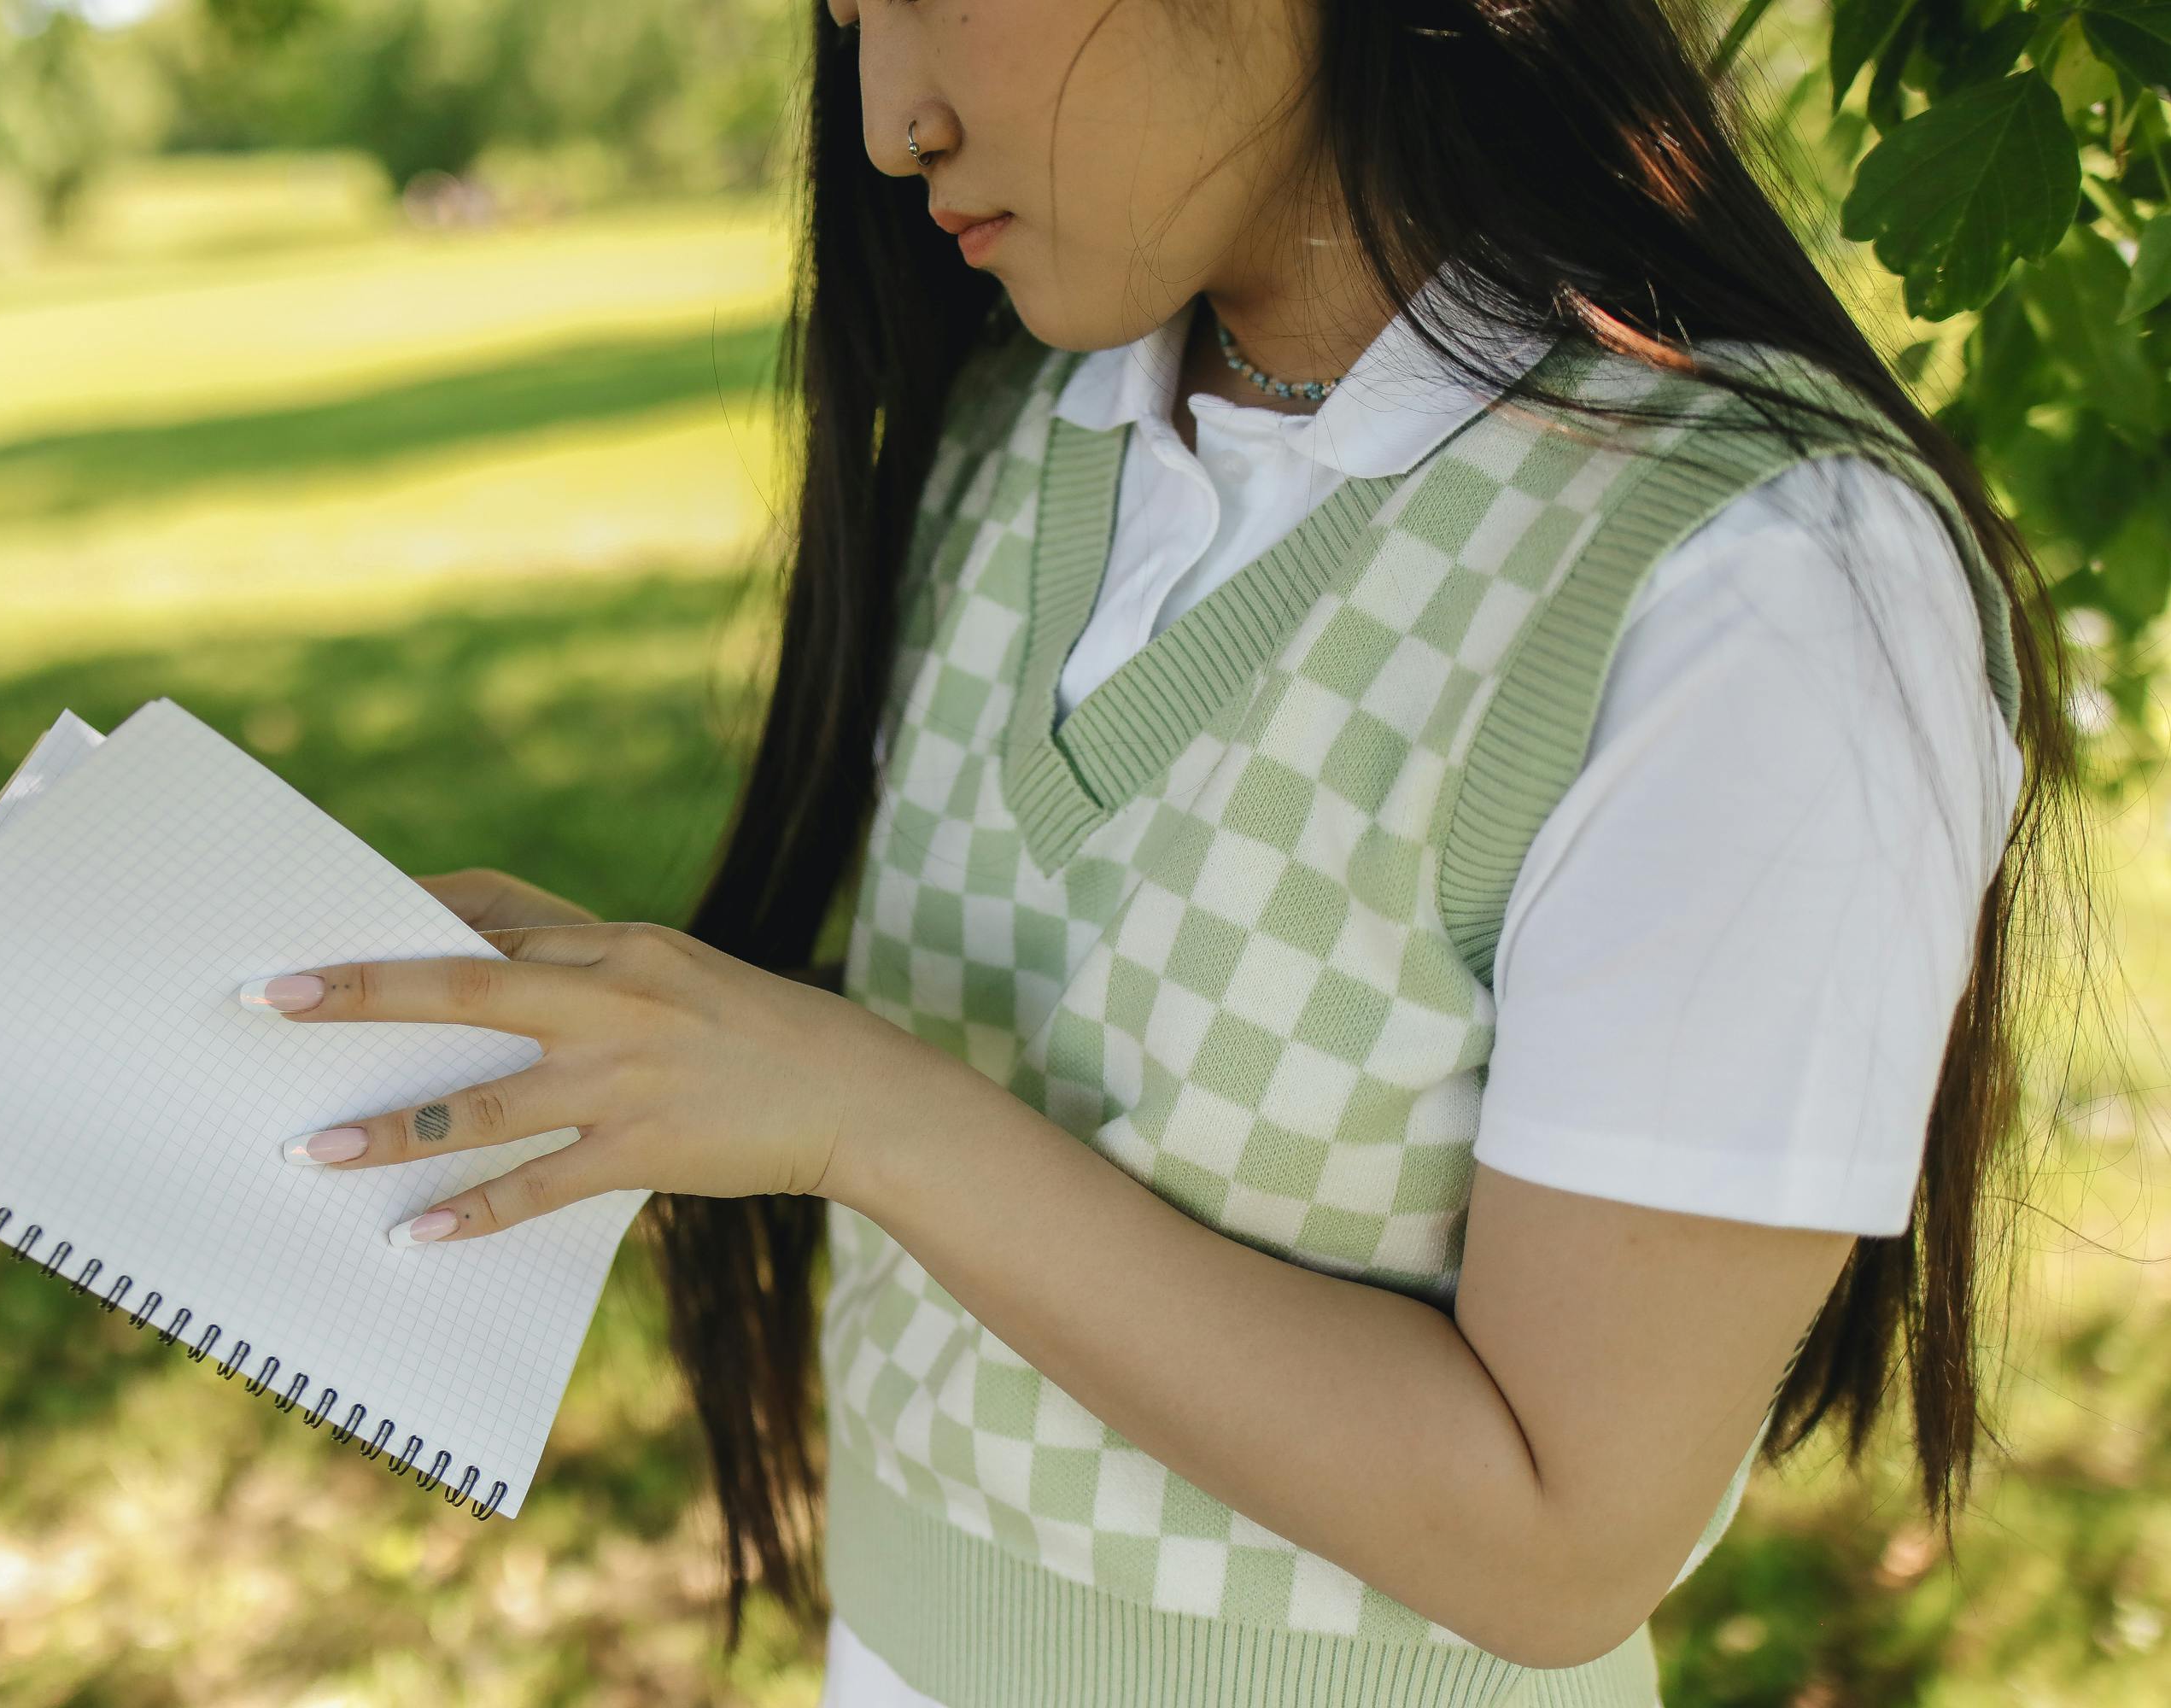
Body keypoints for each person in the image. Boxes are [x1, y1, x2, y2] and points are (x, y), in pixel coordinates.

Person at [240, 1, 2082, 1700]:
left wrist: (856, 1113)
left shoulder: (1755, 578)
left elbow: (1559, 1542)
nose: (885, 120)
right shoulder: (1017, 427)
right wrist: (659, 1061)